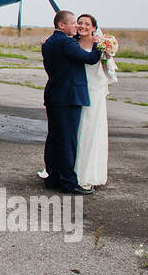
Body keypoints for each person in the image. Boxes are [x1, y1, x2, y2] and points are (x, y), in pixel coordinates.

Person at [38, 10, 103, 195]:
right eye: (74, 23)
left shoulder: (49, 42)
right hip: (68, 97)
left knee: (54, 139)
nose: (76, 26)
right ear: (61, 25)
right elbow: (90, 59)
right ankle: (68, 182)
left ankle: (52, 177)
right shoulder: (66, 43)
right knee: (67, 140)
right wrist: (98, 45)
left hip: (53, 95)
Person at [74, 13, 110, 190]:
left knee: (90, 130)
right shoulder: (71, 42)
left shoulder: (100, 45)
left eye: (87, 24)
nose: (82, 26)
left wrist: (108, 54)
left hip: (94, 90)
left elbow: (108, 70)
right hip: (76, 91)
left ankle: (87, 173)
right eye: (79, 23)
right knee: (76, 130)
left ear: (94, 27)